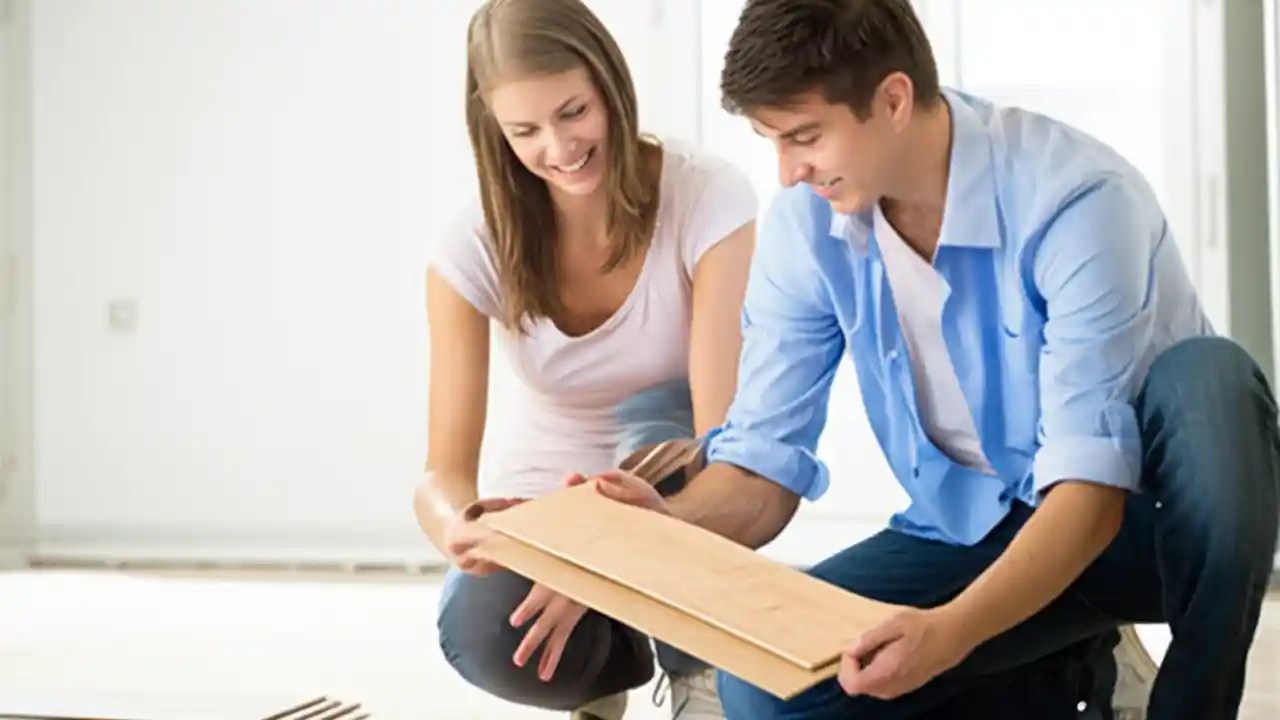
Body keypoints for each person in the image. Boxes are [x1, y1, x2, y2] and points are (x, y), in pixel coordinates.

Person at [540, 1, 1280, 718]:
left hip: (1136, 530)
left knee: (1211, 381)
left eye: (804, 136)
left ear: (893, 100)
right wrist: (664, 523)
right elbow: (762, 468)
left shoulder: (1079, 201)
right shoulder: (808, 227)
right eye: (773, 141)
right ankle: (1069, 676)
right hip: (973, 531)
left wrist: (951, 633)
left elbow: (1088, 497)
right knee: (765, 694)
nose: (788, 172)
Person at [412, 0, 757, 718]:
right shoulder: (470, 243)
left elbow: (722, 435)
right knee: (479, 629)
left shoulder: (706, 197)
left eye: (573, 111)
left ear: (608, 85)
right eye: (525, 131)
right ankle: (614, 662)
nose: (560, 147)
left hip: (676, 480)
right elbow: (440, 477)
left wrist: (610, 547)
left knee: (654, 415)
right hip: (550, 499)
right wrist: (462, 527)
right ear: (493, 131)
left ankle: (700, 662)